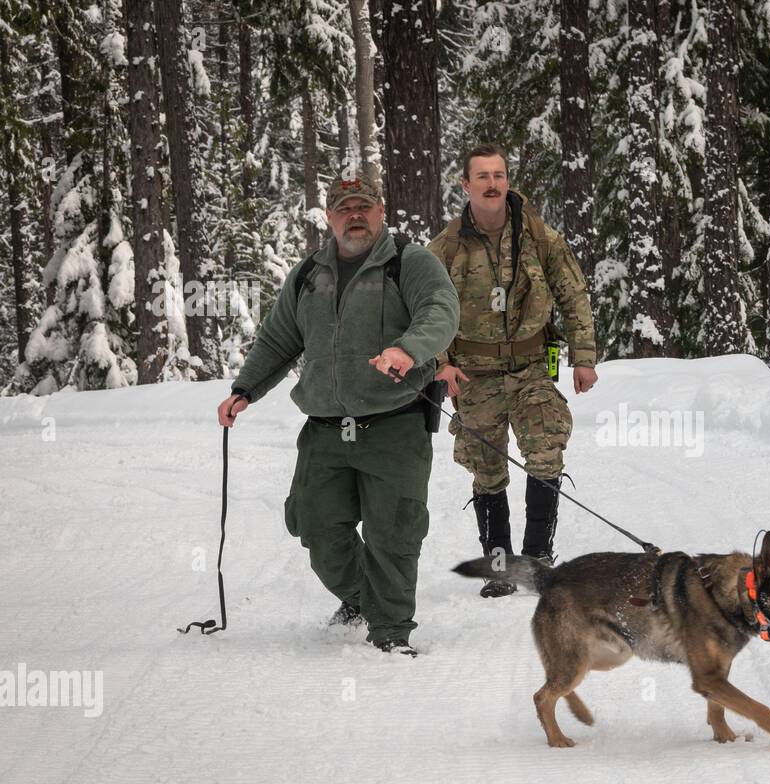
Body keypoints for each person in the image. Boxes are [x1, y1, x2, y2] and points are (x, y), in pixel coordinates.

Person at [216, 172, 460, 654]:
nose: (355, 215)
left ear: (381, 210)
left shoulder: (409, 262)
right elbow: (278, 338)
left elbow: (440, 310)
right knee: (315, 525)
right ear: (329, 217)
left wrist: (408, 350)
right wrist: (245, 389)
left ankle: (390, 631)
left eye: (363, 206)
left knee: (393, 532)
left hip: (395, 425)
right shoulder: (309, 274)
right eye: (344, 207)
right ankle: (361, 599)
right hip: (325, 430)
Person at [429, 144, 598, 597]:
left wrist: (584, 357)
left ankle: (538, 558)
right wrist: (441, 364)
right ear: (465, 185)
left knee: (545, 452)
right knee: (486, 469)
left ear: (508, 180)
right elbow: (428, 312)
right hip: (474, 374)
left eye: (499, 175)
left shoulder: (539, 237)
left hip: (530, 367)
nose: (492, 184)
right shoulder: (445, 248)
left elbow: (573, 293)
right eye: (482, 176)